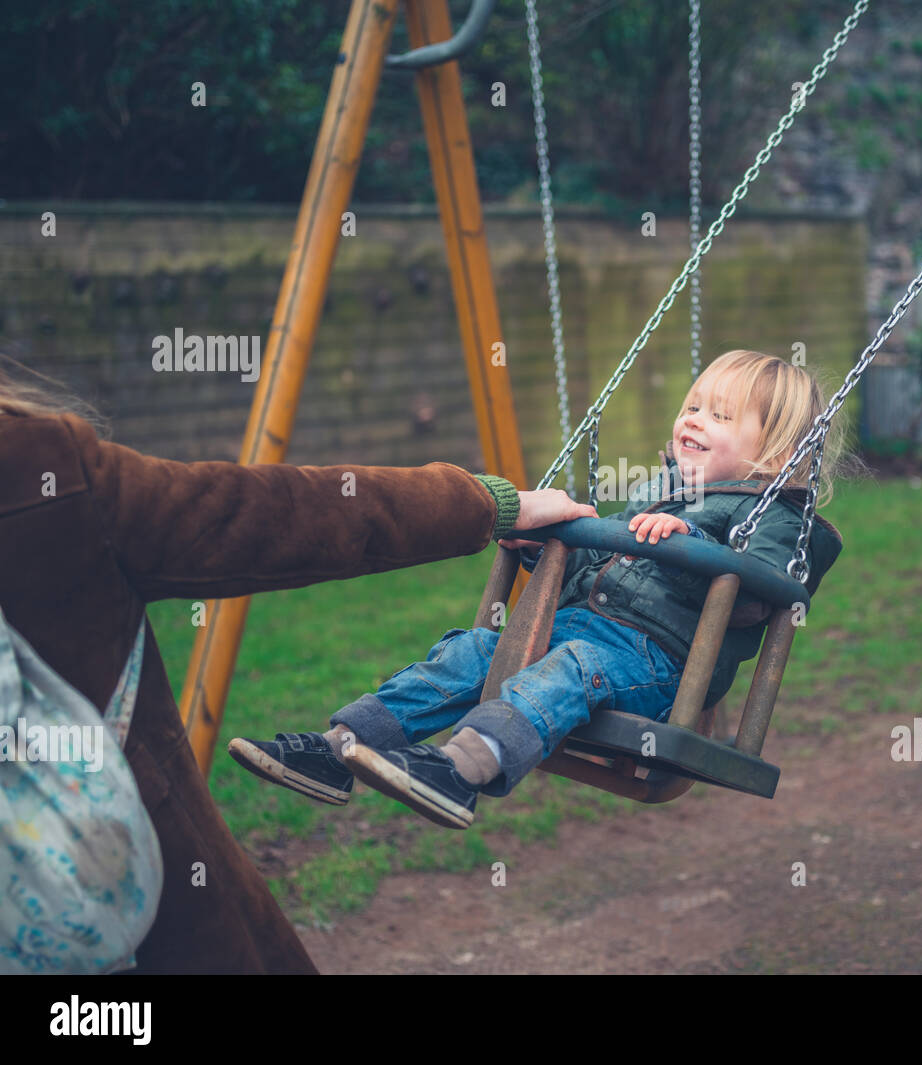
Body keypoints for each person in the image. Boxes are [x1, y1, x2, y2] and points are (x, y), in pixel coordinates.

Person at [0, 357, 595, 973]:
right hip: (126, 890)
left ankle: (429, 759)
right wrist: (487, 505)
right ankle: (355, 748)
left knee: (519, 659)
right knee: (468, 654)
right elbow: (262, 513)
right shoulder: (32, 470)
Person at [232, 350, 843, 829]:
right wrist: (543, 556)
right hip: (575, 632)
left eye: (721, 415)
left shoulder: (780, 518)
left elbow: (760, 595)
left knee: (571, 665)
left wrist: (692, 547)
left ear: (783, 454)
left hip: (652, 668)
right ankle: (340, 747)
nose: (692, 420)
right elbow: (597, 572)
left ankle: (460, 771)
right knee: (473, 650)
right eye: (692, 406)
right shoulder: (660, 492)